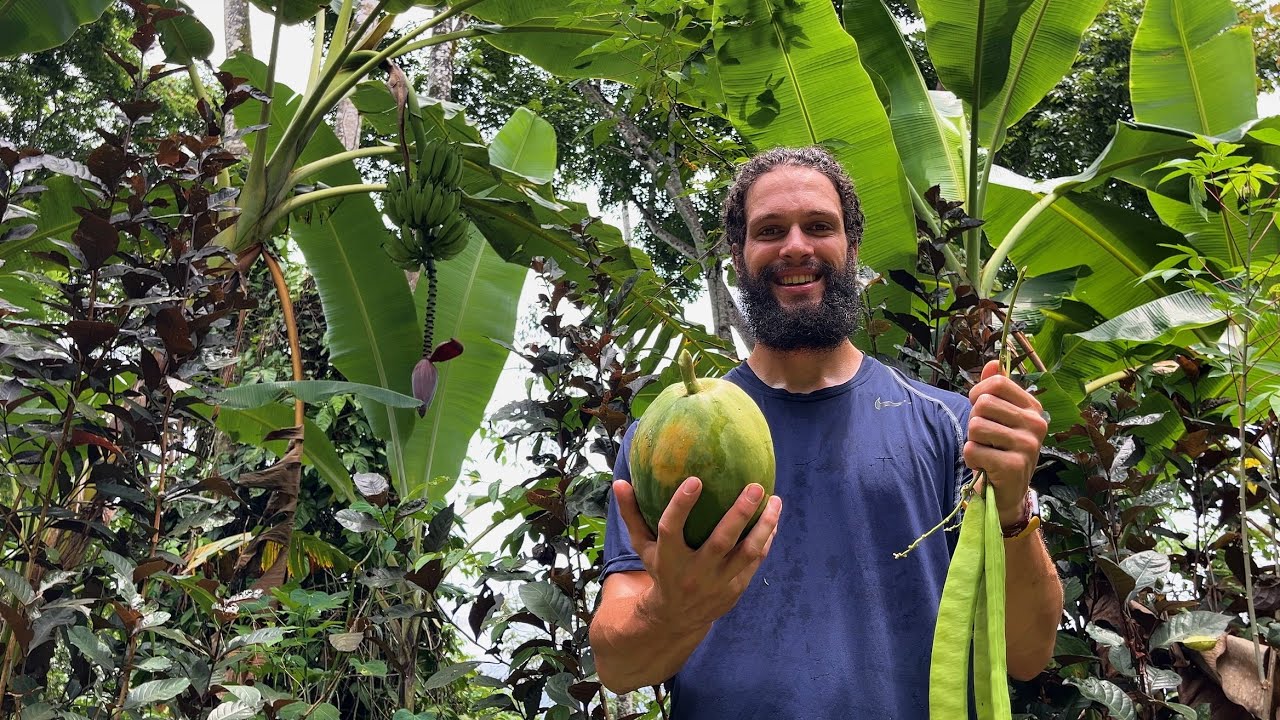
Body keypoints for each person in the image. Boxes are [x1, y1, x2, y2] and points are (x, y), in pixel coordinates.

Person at [589, 146, 1064, 718]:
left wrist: (1012, 509)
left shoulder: (949, 428)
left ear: (852, 248)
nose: (795, 246)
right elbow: (619, 668)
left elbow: (1028, 653)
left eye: (819, 226)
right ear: (739, 257)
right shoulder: (665, 442)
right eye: (769, 230)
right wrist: (675, 608)